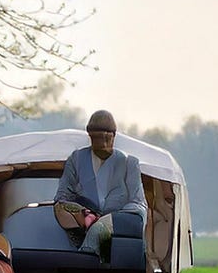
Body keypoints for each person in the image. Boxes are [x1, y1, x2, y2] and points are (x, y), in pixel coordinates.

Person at [54, 109, 148, 258]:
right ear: (90, 136)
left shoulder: (129, 163)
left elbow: (139, 204)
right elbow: (62, 197)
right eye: (97, 138)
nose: (103, 143)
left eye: (107, 137)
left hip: (116, 226)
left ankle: (89, 262)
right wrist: (82, 214)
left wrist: (110, 219)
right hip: (81, 223)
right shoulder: (76, 159)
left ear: (114, 136)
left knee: (99, 232)